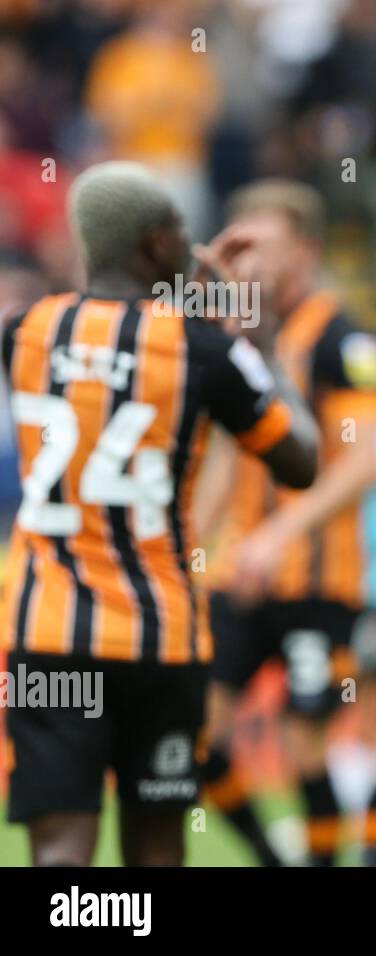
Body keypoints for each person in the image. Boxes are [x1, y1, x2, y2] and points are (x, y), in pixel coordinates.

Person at [0, 161, 317, 866]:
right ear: (153, 243)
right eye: (177, 228)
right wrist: (260, 340)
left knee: (60, 853)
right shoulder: (202, 348)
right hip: (161, 640)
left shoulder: (23, 331)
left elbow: (98, 334)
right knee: (155, 850)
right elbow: (301, 462)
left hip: (48, 632)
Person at [198, 180, 376, 866]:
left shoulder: (344, 338)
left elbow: (365, 463)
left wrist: (282, 532)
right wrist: (191, 544)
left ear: (305, 250)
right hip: (240, 571)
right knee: (194, 730)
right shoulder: (233, 340)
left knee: (304, 744)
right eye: (240, 247)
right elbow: (227, 455)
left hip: (320, 579)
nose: (249, 263)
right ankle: (274, 857)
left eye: (266, 247)